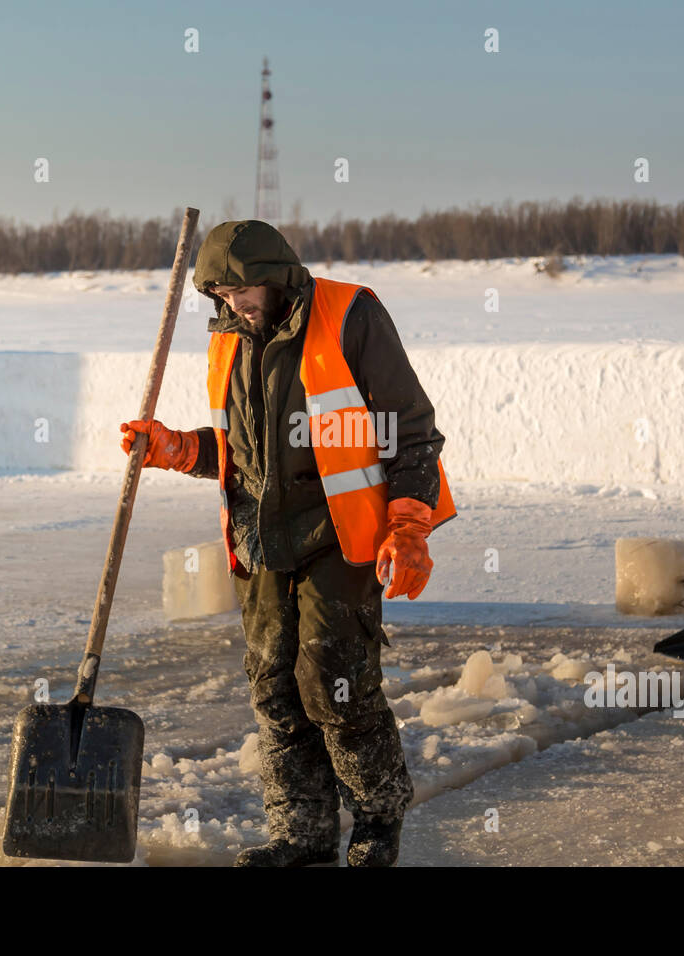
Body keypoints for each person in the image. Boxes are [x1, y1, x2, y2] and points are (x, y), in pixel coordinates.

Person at [119, 220, 456, 866]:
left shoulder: (350, 315)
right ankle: (300, 836)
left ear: (275, 277)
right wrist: (178, 448)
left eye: (241, 292)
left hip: (338, 533)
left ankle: (379, 819)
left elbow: (411, 430)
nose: (232, 305)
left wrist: (409, 526)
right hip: (261, 539)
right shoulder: (230, 337)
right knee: (274, 690)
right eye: (219, 294)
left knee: (332, 679)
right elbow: (243, 452)